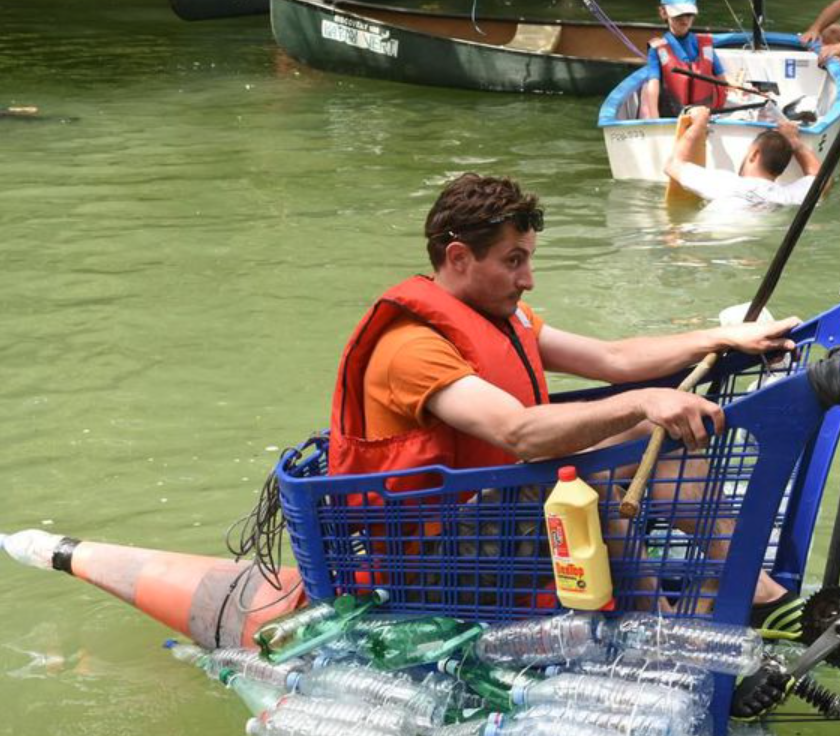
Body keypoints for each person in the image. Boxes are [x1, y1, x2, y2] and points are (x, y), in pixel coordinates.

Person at [329, 173, 805, 633]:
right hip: (437, 568)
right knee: (578, 477)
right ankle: (661, 633)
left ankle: (755, 588)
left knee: (649, 434)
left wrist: (721, 337)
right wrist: (642, 401)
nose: (529, 279)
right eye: (513, 261)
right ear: (458, 257)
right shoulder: (413, 347)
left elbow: (612, 358)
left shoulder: (502, 318)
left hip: (499, 523)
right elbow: (517, 432)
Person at [664, 106, 822, 214]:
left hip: (701, 241)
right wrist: (795, 142)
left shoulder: (726, 183)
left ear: (754, 155)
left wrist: (699, 123)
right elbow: (821, 179)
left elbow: (672, 165)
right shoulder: (787, 196)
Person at [638, 0, 729, 119]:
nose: (685, 19)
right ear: (663, 12)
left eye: (689, 14)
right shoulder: (657, 49)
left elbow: (722, 78)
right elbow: (653, 84)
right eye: (679, 15)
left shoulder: (705, 45)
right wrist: (655, 118)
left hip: (704, 115)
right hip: (672, 117)